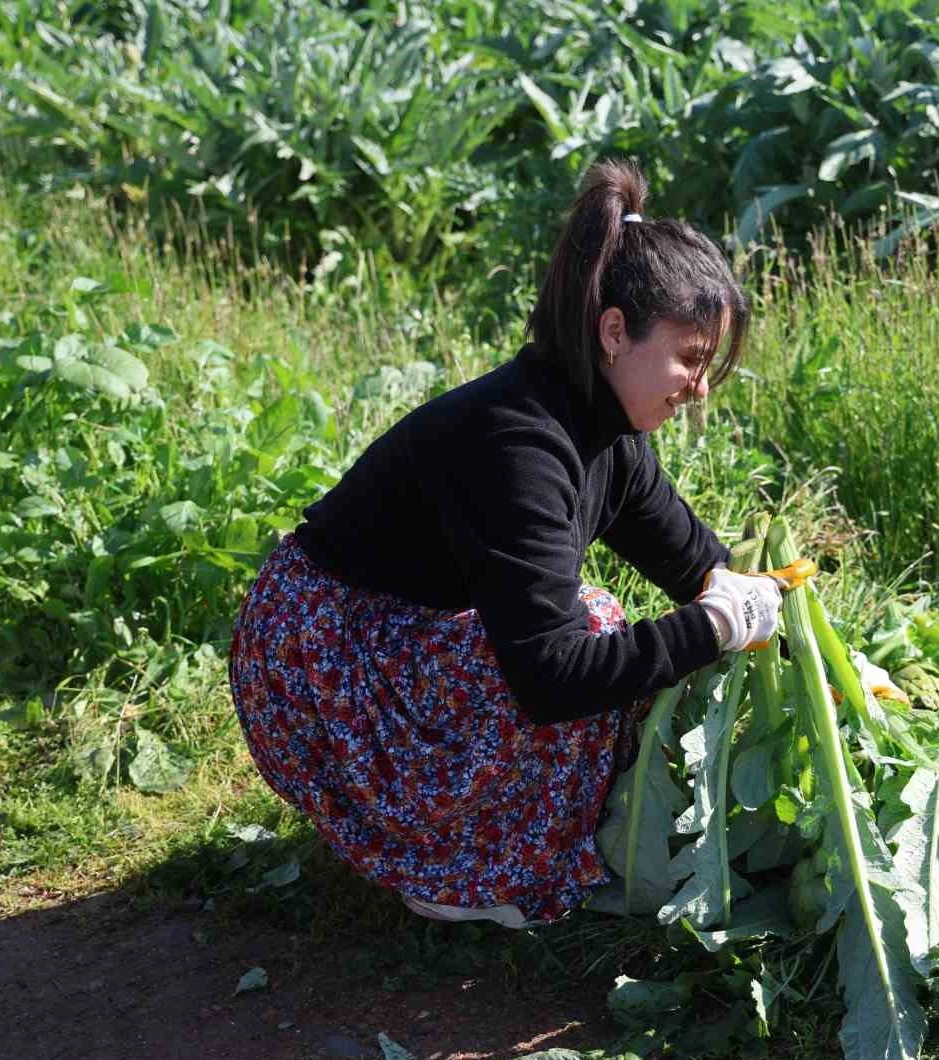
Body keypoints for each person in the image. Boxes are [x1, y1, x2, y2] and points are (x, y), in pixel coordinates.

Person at [227, 159, 784, 930]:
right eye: (691, 358)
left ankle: (492, 841)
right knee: (589, 634)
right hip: (319, 653)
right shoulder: (518, 448)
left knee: (599, 630)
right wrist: (715, 627)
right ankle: (450, 869)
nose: (700, 387)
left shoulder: (605, 429)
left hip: (395, 628)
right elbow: (552, 679)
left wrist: (764, 613)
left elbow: (693, 559)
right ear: (615, 332)